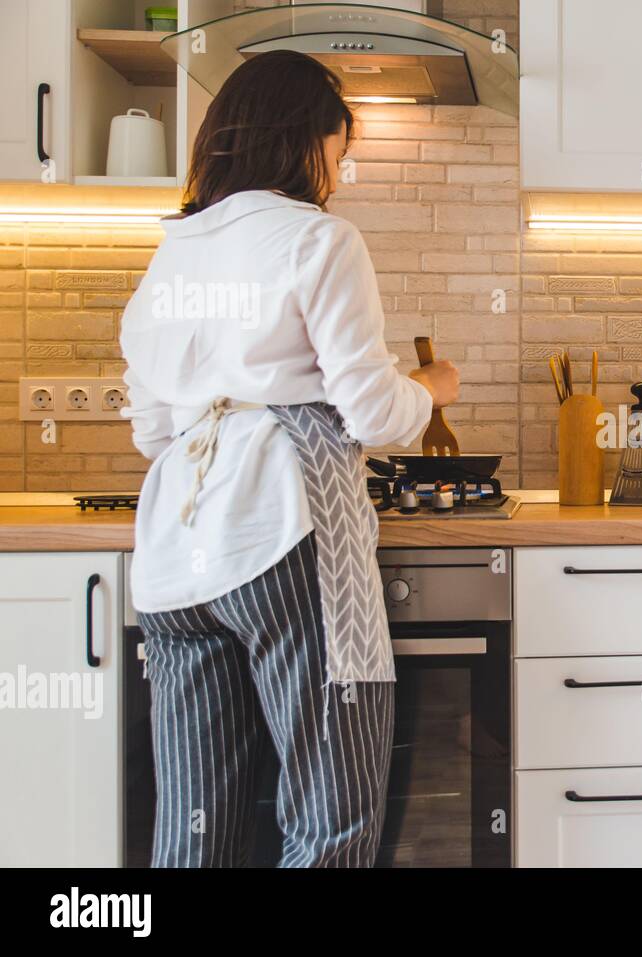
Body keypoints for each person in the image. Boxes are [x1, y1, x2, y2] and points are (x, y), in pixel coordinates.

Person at [118, 50, 459, 867]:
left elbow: (154, 433)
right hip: (280, 539)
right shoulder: (318, 239)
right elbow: (371, 412)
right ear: (305, 140)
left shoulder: (170, 253)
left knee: (198, 830)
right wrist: (432, 386)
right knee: (326, 820)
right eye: (339, 154)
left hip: (174, 564)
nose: (339, 177)